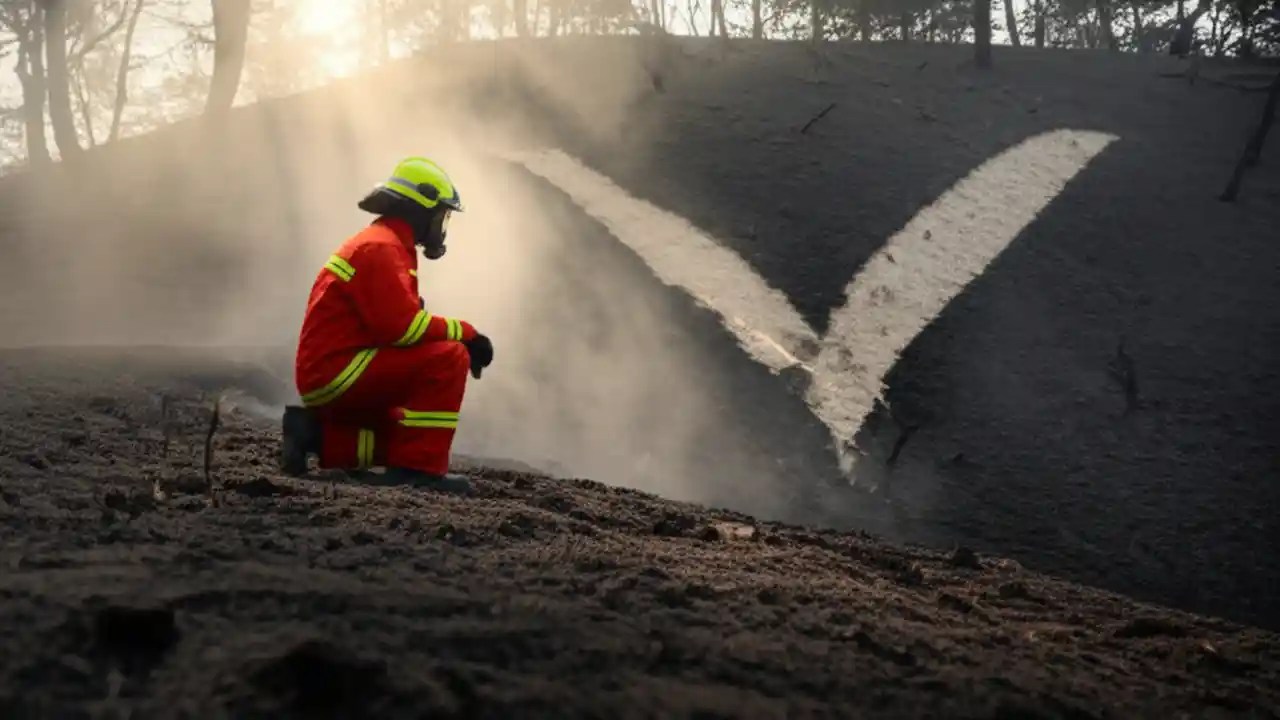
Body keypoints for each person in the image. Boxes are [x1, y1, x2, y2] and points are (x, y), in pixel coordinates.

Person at [280, 156, 493, 492]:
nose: (442, 223)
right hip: (338, 371)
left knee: (404, 431)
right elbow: (402, 329)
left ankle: (312, 436)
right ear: (421, 208)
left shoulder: (385, 244)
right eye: (442, 213)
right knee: (449, 357)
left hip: (332, 370)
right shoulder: (381, 248)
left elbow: (392, 326)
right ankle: (419, 473)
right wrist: (467, 334)